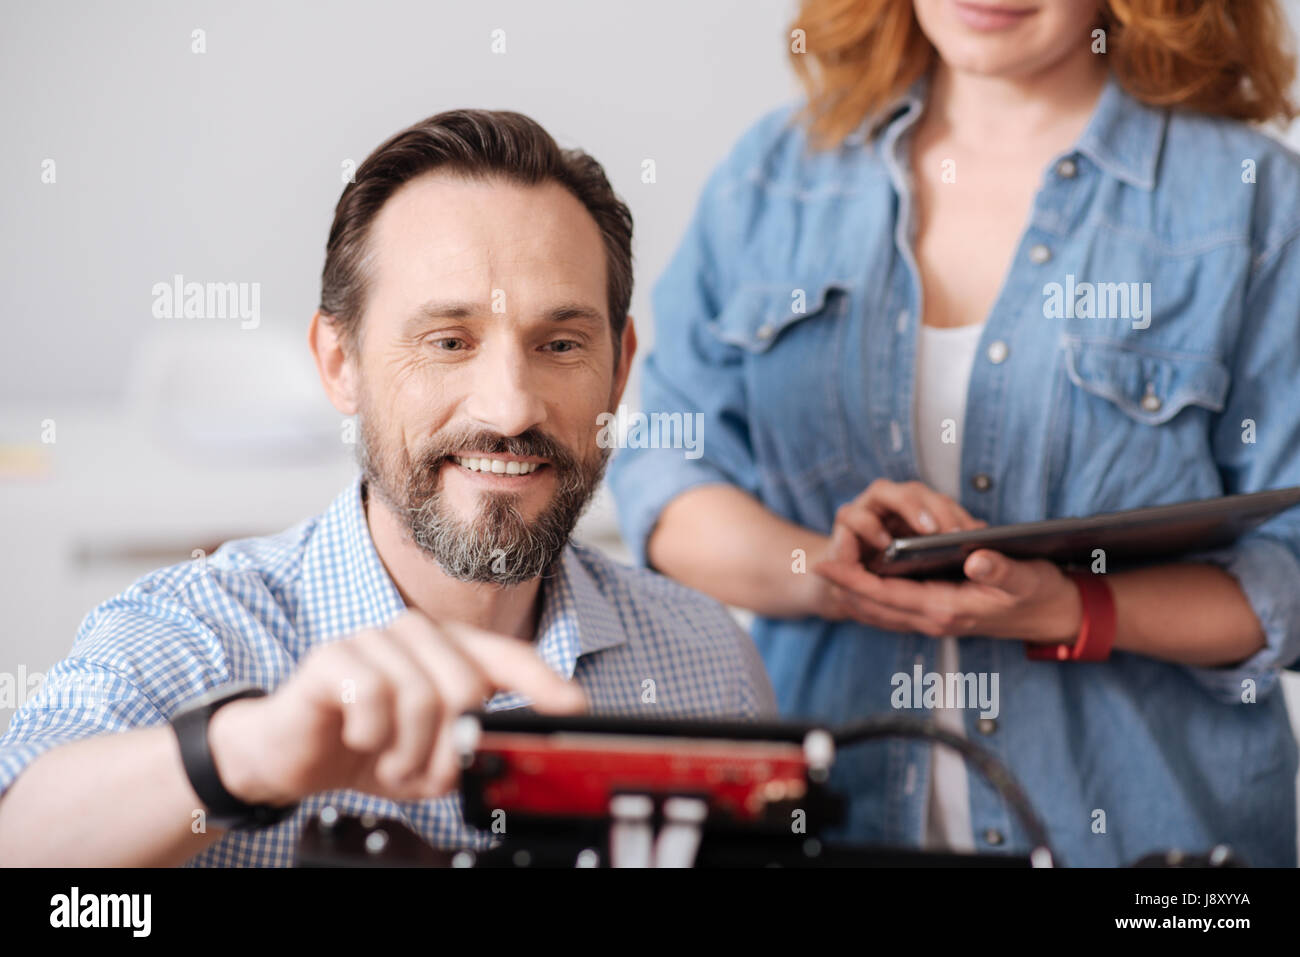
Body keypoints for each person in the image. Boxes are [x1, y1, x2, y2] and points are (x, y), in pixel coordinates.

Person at [609, 0, 1300, 865]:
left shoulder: (1254, 202)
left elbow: (1289, 568)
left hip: (1148, 849)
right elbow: (667, 481)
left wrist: (1070, 607)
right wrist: (839, 576)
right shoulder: (773, 178)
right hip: (822, 829)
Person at [0, 109, 775, 867]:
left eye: (561, 344)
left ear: (619, 368)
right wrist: (244, 757)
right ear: (340, 364)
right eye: (449, 341)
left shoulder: (709, 663)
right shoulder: (190, 639)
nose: (510, 408)